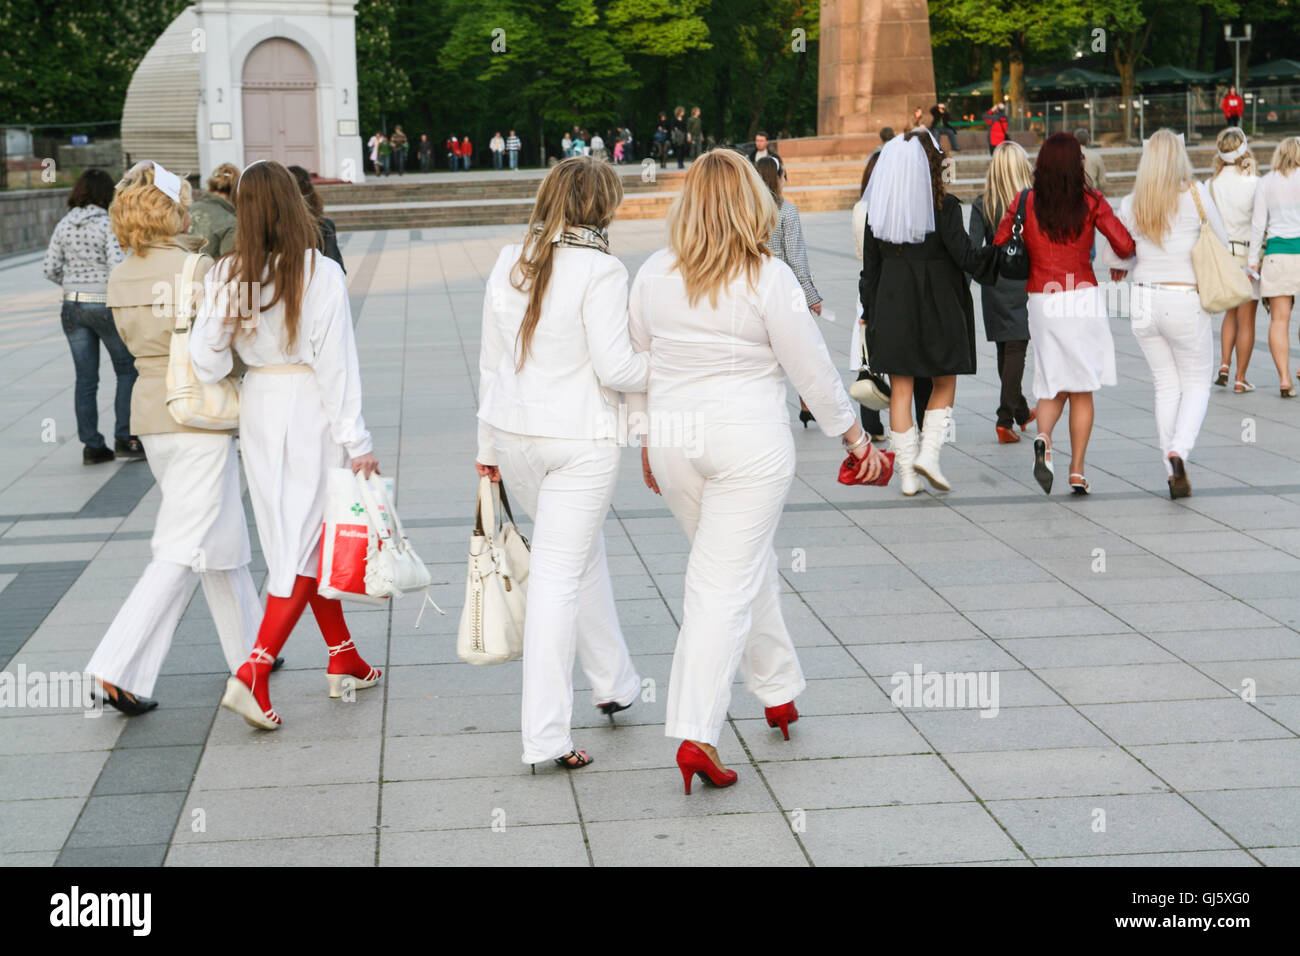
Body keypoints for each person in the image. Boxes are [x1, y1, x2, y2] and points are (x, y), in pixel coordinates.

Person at [629, 150, 885, 794]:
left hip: (674, 440)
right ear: (753, 205)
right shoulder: (767, 277)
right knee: (722, 583)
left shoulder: (654, 272)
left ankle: (776, 689)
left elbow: (635, 365)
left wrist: (642, 441)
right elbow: (812, 373)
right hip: (748, 444)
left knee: (738, 567)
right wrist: (857, 442)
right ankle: (696, 733)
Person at [191, 160, 380, 730]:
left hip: (260, 403)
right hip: (309, 408)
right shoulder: (318, 273)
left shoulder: (229, 273)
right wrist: (358, 440)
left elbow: (206, 359)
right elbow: (336, 366)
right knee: (302, 542)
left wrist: (238, 350)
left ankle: (342, 655)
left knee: (291, 534)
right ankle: (254, 670)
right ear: (294, 205)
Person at [474, 156, 647, 769]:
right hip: (579, 442)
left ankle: (615, 682)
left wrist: (486, 450)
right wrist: (677, 363)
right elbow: (619, 369)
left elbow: (492, 362)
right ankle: (547, 734)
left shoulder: (510, 260)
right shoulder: (603, 270)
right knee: (557, 580)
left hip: (517, 436)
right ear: (606, 206)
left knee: (575, 556)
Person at [85, 160, 261, 715]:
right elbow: (220, 345)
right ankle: (114, 665)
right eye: (182, 200)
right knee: (184, 543)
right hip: (199, 412)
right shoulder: (194, 268)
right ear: (171, 210)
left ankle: (252, 649)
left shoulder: (120, 274)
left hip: (152, 409)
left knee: (219, 533)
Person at [993, 132, 1135, 496]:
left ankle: (1043, 436)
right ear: (1078, 164)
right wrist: (1120, 263)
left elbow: (999, 243)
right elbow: (1123, 243)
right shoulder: (1091, 201)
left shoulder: (1025, 201)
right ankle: (1076, 470)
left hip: (1042, 298)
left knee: (1053, 379)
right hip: (1081, 296)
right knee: (1082, 387)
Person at [861, 131, 997, 496]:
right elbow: (966, 256)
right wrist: (999, 253)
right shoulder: (945, 207)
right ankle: (930, 455)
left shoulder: (880, 211)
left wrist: (867, 311)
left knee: (901, 389)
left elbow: (869, 269)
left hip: (892, 302)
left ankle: (907, 474)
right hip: (939, 303)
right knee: (944, 381)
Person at [1101, 129, 1227, 499]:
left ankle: (1170, 472)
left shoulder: (1132, 202)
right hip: (1184, 297)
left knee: (1165, 385)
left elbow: (1114, 255)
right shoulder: (1197, 195)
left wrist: (1133, 258)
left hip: (1143, 300)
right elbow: (1219, 239)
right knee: (1196, 383)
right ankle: (1179, 451)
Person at [42, 168, 139, 464]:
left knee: (85, 380)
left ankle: (92, 446)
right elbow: (116, 267)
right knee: (127, 370)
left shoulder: (63, 224)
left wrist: (73, 285)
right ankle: (125, 437)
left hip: (72, 306)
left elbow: (49, 268)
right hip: (103, 305)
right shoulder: (107, 225)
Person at [970, 141, 1034, 443]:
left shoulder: (983, 203)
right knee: (1016, 348)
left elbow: (973, 249)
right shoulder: (1033, 201)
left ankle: (1019, 411)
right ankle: (1004, 418)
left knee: (1003, 348)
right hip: (1023, 279)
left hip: (994, 282)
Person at [756, 156, 824, 427]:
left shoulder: (746, 210)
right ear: (779, 177)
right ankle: (807, 404)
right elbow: (796, 258)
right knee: (798, 349)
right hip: (782, 291)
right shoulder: (787, 211)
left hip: (752, 288)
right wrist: (811, 296)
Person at [1208, 127, 1260, 392]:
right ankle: (1240, 377)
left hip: (1223, 257)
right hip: (1247, 254)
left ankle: (1224, 364)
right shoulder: (1253, 182)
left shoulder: (1212, 184)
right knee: (1247, 318)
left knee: (1230, 313)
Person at [1249, 136, 1300, 396]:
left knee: (1279, 320)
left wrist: (1251, 261)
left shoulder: (1266, 182)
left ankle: (1284, 378)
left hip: (1277, 254)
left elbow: (1258, 224)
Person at [287, 164, 345, 273]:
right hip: (317, 287)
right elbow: (337, 269)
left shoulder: (268, 228)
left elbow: (252, 278)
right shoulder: (324, 225)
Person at [189, 163, 239, 258]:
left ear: (210, 185)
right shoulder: (231, 222)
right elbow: (227, 264)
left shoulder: (188, 210)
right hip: (207, 271)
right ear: (236, 190)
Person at [1074, 128, 1108, 193]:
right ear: (1088, 141)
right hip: (1092, 194)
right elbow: (1102, 182)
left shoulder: (1069, 156)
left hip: (1074, 195)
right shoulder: (1095, 156)